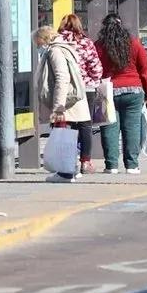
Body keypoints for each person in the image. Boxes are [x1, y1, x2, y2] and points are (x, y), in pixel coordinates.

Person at [95, 13, 147, 175]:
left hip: (108, 89)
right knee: (132, 128)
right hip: (133, 90)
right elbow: (145, 69)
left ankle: (111, 165)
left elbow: (95, 68)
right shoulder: (133, 43)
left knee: (109, 127)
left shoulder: (99, 45)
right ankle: (132, 165)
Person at [34, 26, 91, 183]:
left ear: (44, 39)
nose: (37, 47)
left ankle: (65, 173)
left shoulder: (55, 51)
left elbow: (62, 77)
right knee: (69, 136)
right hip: (73, 100)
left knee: (64, 136)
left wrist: (59, 107)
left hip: (66, 102)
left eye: (38, 43)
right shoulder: (66, 48)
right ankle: (71, 169)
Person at [57, 14, 103, 175]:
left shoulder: (58, 43)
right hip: (86, 89)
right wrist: (93, 80)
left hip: (65, 89)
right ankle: (85, 161)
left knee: (67, 123)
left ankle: (67, 161)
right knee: (85, 124)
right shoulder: (86, 43)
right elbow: (96, 68)